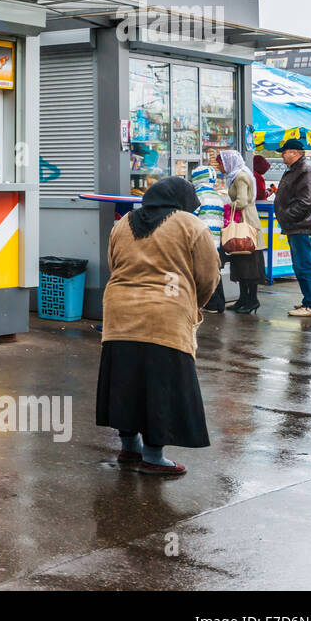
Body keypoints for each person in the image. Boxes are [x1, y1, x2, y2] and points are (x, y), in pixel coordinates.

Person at [96, 177, 221, 476]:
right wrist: (193, 304)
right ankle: (153, 457)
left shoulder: (123, 223)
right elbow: (208, 276)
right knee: (160, 385)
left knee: (124, 381)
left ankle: (130, 447)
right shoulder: (191, 225)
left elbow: (114, 265)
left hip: (119, 312)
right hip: (166, 315)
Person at [274, 138, 311, 317]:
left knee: (304, 266)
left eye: (285, 152)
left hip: (301, 225)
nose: (282, 156)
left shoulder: (305, 170)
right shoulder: (297, 169)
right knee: (301, 265)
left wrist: (286, 215)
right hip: (297, 225)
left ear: (295, 153)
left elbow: (306, 201)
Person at [217, 150, 266, 314]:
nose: (219, 167)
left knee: (249, 263)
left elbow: (242, 201)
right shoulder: (237, 175)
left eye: (221, 163)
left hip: (245, 223)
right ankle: (243, 299)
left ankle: (252, 300)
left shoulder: (240, 177)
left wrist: (226, 205)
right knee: (241, 263)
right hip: (241, 222)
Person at [190, 164, 226, 312]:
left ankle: (210, 304)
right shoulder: (216, 195)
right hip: (216, 239)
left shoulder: (198, 194)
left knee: (204, 272)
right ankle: (220, 304)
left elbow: (192, 216)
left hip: (202, 238)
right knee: (215, 271)